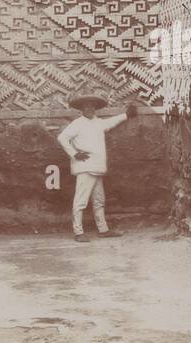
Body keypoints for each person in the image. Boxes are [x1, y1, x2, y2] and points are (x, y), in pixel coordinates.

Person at [57, 94, 137, 242]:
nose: (89, 109)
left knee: (99, 200)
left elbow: (111, 122)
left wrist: (126, 115)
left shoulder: (98, 122)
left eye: (92, 106)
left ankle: (103, 229)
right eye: (86, 106)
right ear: (81, 109)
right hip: (85, 167)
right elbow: (62, 138)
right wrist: (74, 154)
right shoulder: (77, 123)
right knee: (81, 200)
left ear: (95, 108)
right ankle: (78, 232)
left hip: (98, 167)